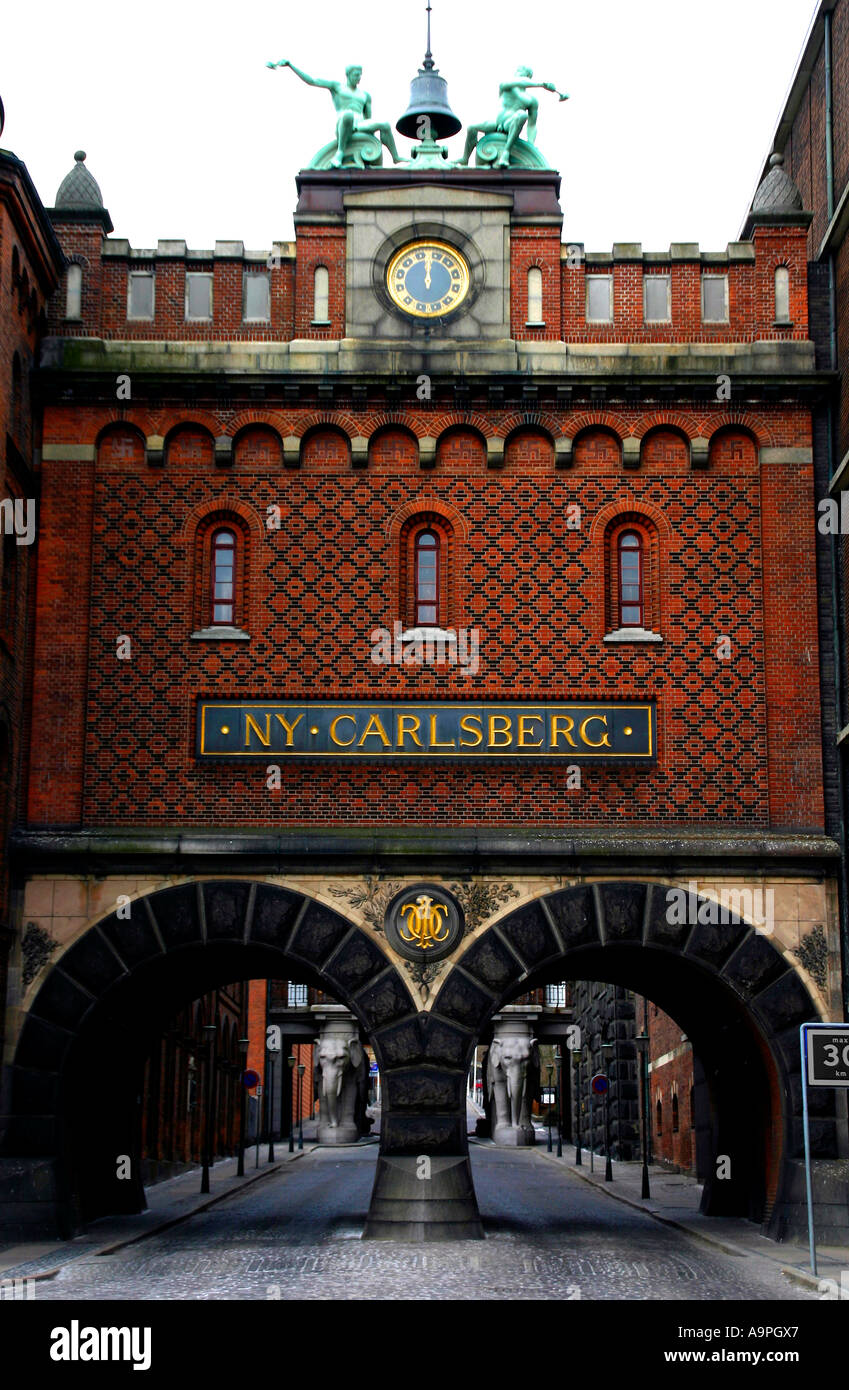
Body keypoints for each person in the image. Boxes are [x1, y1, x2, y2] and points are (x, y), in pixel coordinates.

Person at [268, 59, 401, 167]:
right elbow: (312, 81)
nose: (359, 78)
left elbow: (368, 118)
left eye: (360, 75)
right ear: (348, 75)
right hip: (344, 125)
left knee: (385, 124)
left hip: (360, 125)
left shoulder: (365, 95)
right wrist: (291, 65)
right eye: (356, 75)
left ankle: (395, 156)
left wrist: (371, 141)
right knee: (348, 114)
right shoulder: (337, 87)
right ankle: (340, 151)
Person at [460, 66, 567, 168]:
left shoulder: (531, 100)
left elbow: (532, 125)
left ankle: (506, 152)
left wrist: (530, 145)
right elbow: (520, 82)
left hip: (510, 123)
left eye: (522, 70)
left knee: (522, 114)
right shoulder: (506, 85)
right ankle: (465, 158)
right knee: (471, 128)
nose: (519, 72)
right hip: (497, 123)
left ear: (528, 75)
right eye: (518, 69)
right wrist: (541, 84)